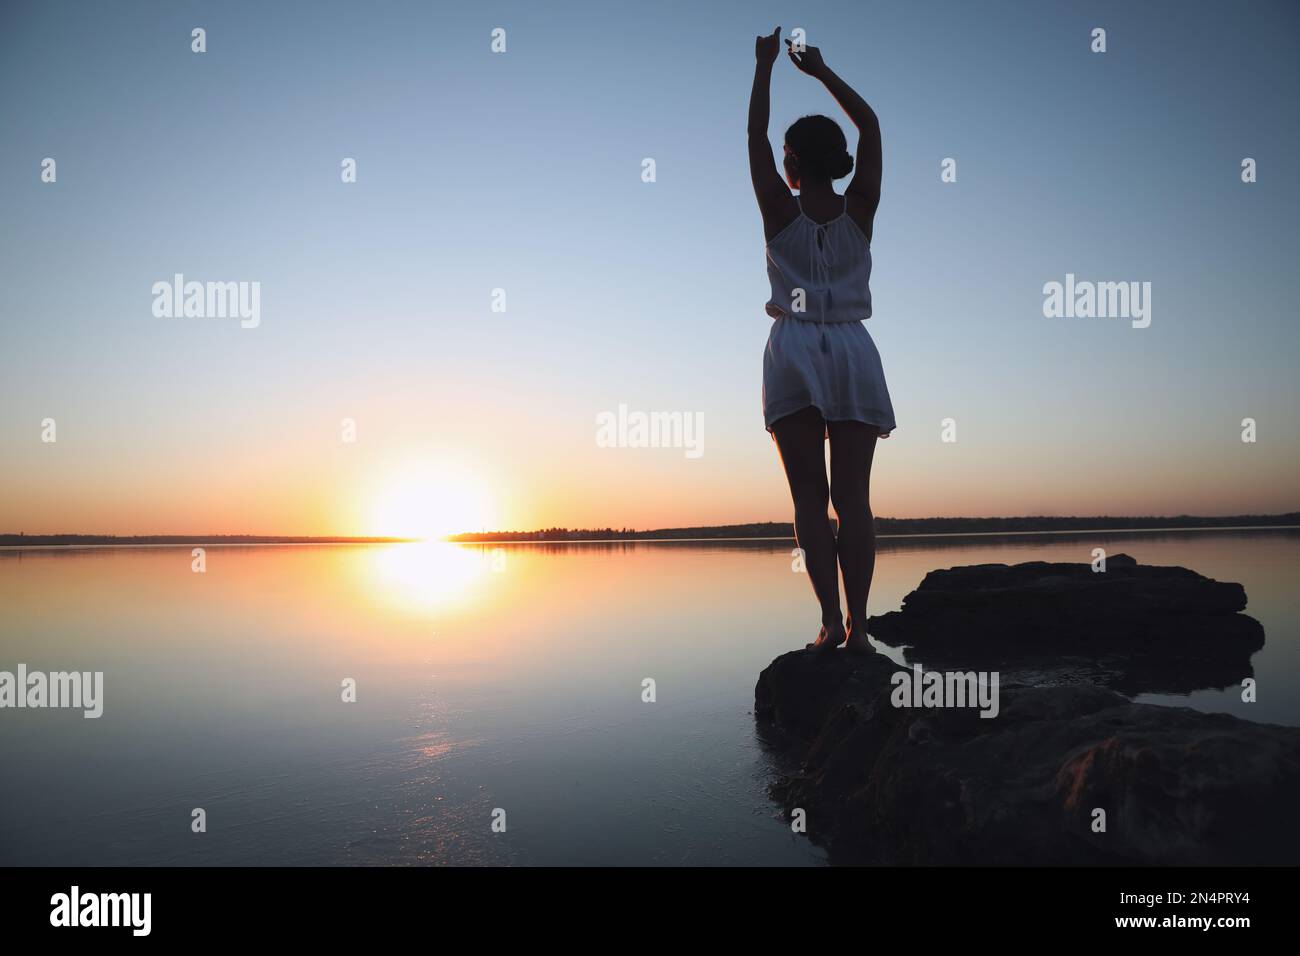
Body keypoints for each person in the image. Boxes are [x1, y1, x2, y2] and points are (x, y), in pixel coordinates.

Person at [749, 27, 896, 653]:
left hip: (794, 351)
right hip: (854, 351)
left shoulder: (779, 212)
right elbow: (871, 130)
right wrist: (823, 72)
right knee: (853, 501)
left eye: (785, 154)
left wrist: (765, 69)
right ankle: (860, 630)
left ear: (792, 164)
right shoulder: (860, 208)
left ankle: (831, 624)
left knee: (810, 498)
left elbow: (752, 136)